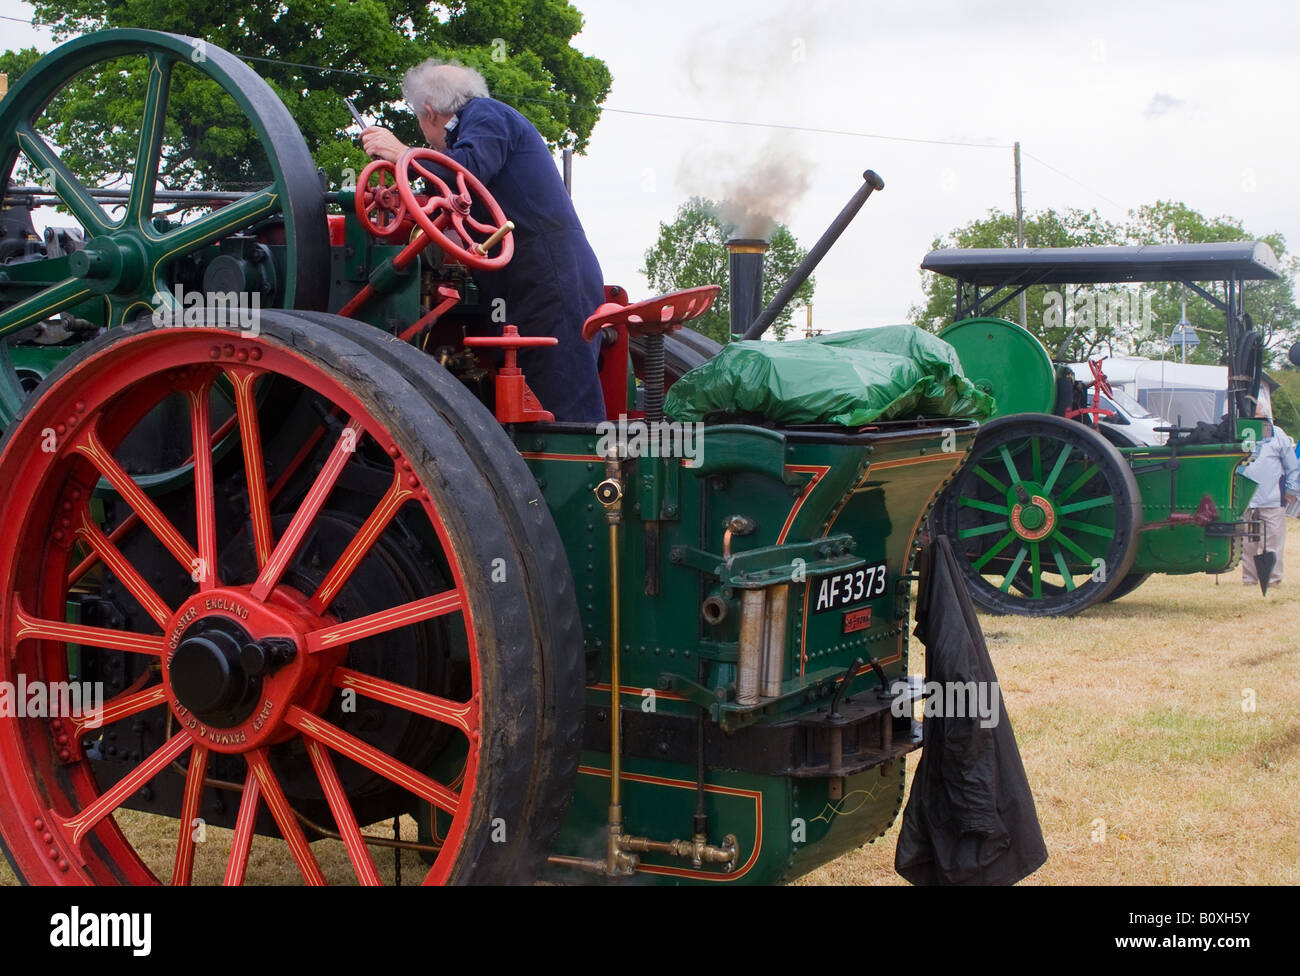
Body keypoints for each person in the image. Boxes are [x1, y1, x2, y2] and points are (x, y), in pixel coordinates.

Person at [361, 60, 606, 423]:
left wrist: (402, 155)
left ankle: (586, 476)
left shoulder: (486, 115)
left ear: (429, 112)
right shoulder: (481, 125)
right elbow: (454, 191)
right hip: (530, 280)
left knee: (560, 398)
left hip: (548, 279)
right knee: (533, 391)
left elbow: (466, 172)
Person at [1239, 409, 1300, 587]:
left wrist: (1291, 490)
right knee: (1248, 541)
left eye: (1263, 419)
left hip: (1272, 499)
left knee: (1273, 542)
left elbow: (1292, 467)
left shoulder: (1277, 435)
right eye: (1256, 419)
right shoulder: (1241, 434)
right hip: (1247, 500)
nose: (1260, 422)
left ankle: (1273, 580)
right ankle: (1249, 580)